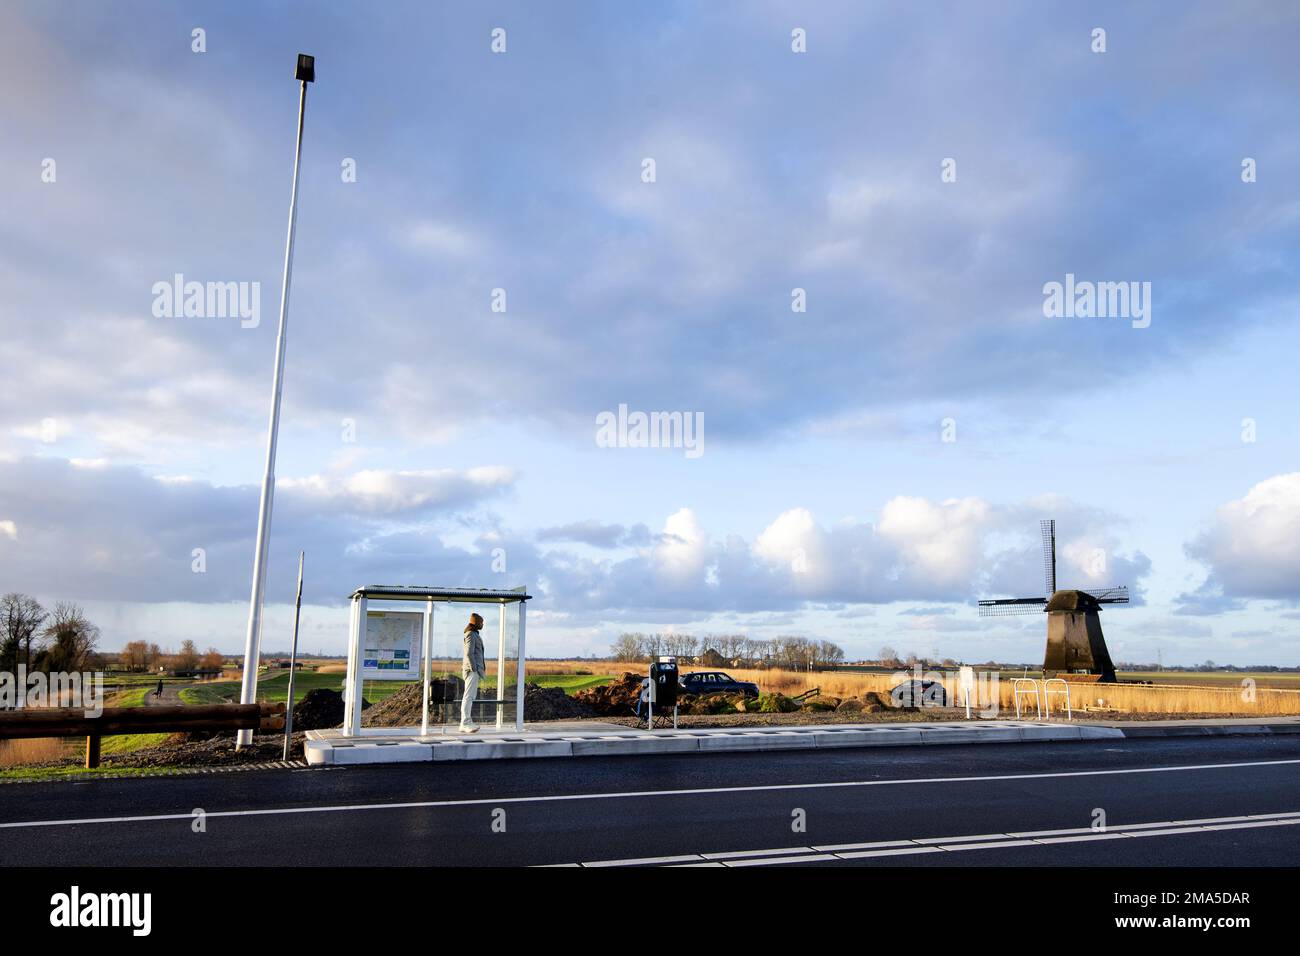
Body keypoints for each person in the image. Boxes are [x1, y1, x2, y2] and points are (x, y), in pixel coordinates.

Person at [460, 613, 486, 733]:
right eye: (481, 622)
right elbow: (469, 653)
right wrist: (474, 669)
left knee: (470, 696)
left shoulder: (474, 634)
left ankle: (465, 722)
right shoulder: (470, 634)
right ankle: (465, 722)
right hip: (471, 671)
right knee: (468, 696)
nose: (482, 624)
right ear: (476, 623)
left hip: (474, 671)